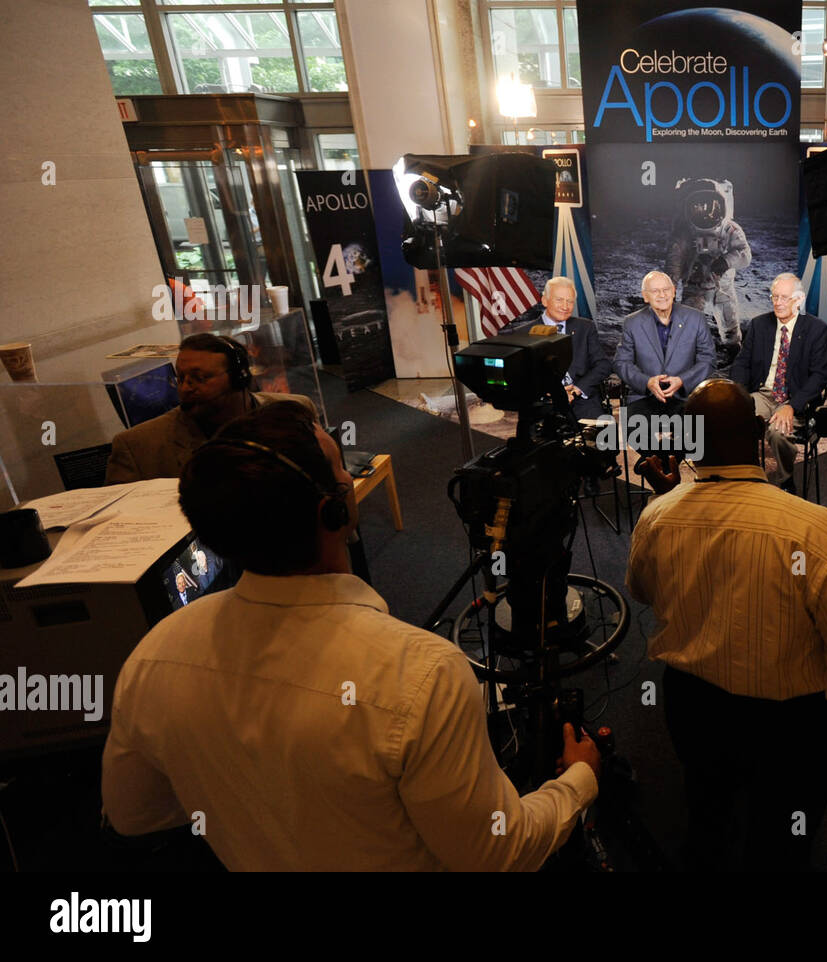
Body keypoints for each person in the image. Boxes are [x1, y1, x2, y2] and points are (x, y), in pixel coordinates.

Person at [101, 401, 601, 871]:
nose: (351, 475)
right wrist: (580, 778)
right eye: (343, 468)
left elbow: (132, 813)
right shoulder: (424, 675)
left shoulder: (154, 654)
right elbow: (498, 853)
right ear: (333, 512)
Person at [626, 380, 827, 870]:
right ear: (757, 432)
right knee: (780, 846)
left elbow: (642, 591)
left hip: (692, 708)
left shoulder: (656, 518)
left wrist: (674, 502)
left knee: (708, 815)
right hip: (788, 729)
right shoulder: (817, 532)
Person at [105, 333, 316, 484]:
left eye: (199, 378)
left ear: (239, 378)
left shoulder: (296, 410)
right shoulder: (137, 447)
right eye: (181, 378)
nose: (185, 388)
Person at [729, 273, 827, 491]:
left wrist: (792, 406)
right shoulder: (759, 325)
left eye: (784, 298)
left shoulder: (816, 329)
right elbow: (741, 363)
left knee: (778, 433)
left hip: (794, 398)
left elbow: (819, 376)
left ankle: (786, 481)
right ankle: (749, 476)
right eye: (774, 297)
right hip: (763, 393)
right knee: (733, 419)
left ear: (799, 299)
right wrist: (740, 396)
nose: (778, 303)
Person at [614, 271, 715, 463]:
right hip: (644, 397)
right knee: (637, 433)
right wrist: (647, 382)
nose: (662, 295)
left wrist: (682, 380)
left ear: (674, 291)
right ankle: (665, 469)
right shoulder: (632, 323)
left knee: (692, 435)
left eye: (666, 289)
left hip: (685, 397)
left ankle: (656, 467)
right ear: (645, 296)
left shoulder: (696, 318)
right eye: (655, 291)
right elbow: (621, 362)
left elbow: (708, 359)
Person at [665, 177, 752, 363]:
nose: (704, 209)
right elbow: (674, 263)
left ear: (720, 204)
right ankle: (687, 354)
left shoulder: (729, 230)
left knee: (729, 319)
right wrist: (670, 287)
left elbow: (745, 254)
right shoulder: (684, 234)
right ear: (689, 207)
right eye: (697, 205)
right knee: (687, 321)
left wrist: (726, 261)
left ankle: (733, 348)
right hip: (694, 286)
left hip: (722, 286)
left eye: (709, 204)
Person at [512, 276, 611, 420]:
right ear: (545, 300)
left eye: (570, 301)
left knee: (603, 432)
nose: (565, 306)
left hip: (582, 401)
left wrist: (577, 390)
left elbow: (603, 364)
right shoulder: (523, 333)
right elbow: (518, 377)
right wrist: (549, 391)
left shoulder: (585, 328)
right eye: (559, 300)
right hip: (542, 404)